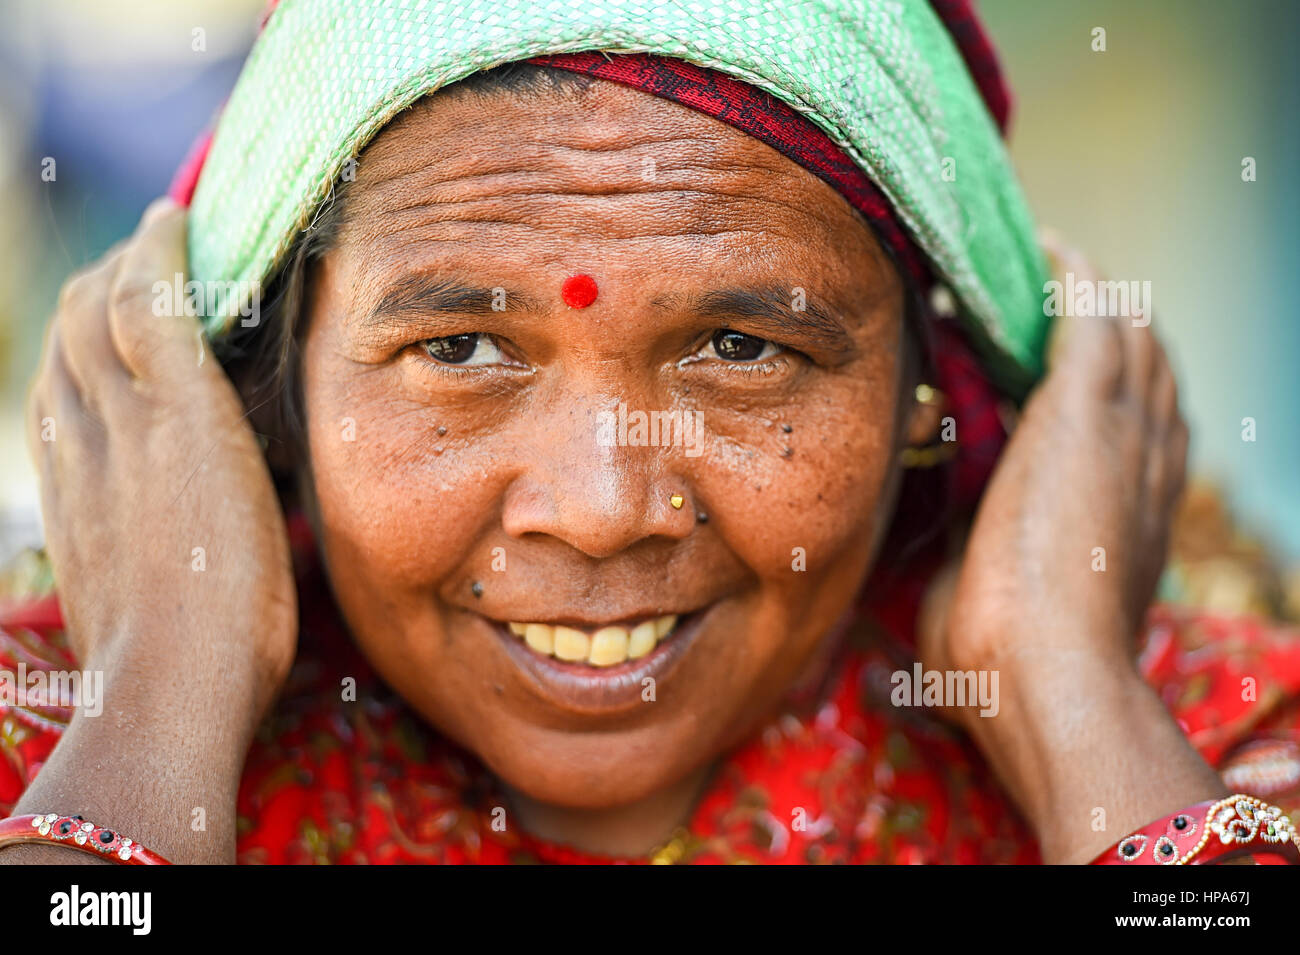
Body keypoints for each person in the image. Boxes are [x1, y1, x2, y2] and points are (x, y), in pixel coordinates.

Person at [2, 0, 1298, 865]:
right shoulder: (45, 730)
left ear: (930, 391)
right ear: (258, 395)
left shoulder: (1210, 737)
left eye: (743, 349)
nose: (604, 507)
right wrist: (155, 704)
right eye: (459, 349)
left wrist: (1078, 706)